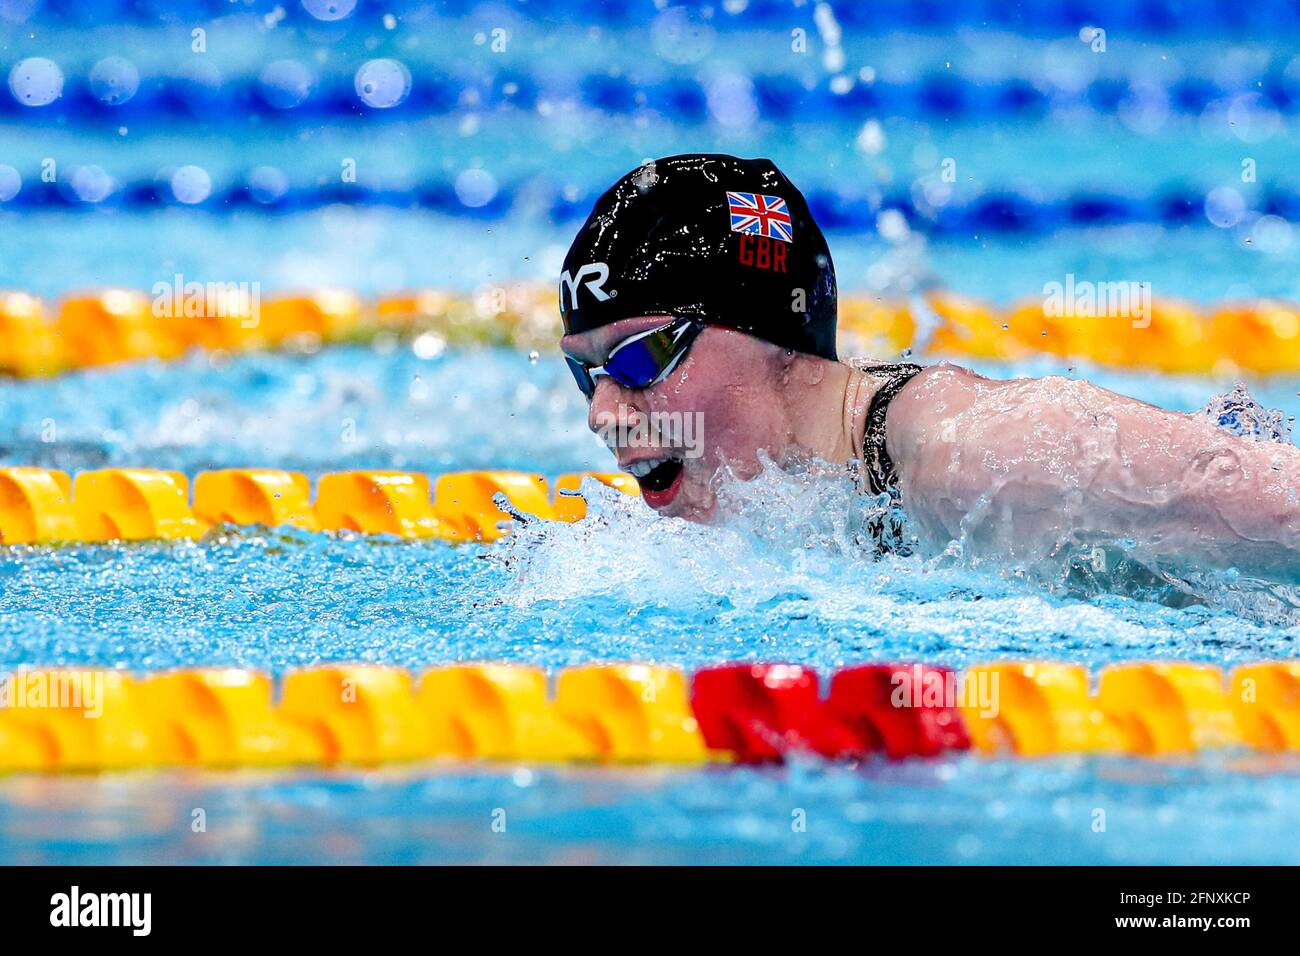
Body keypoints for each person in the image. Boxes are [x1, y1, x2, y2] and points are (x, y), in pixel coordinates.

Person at [558, 153, 1300, 579]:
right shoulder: (789, 518)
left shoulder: (982, 458)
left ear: (771, 335)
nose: (602, 412)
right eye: (588, 372)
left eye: (643, 354)